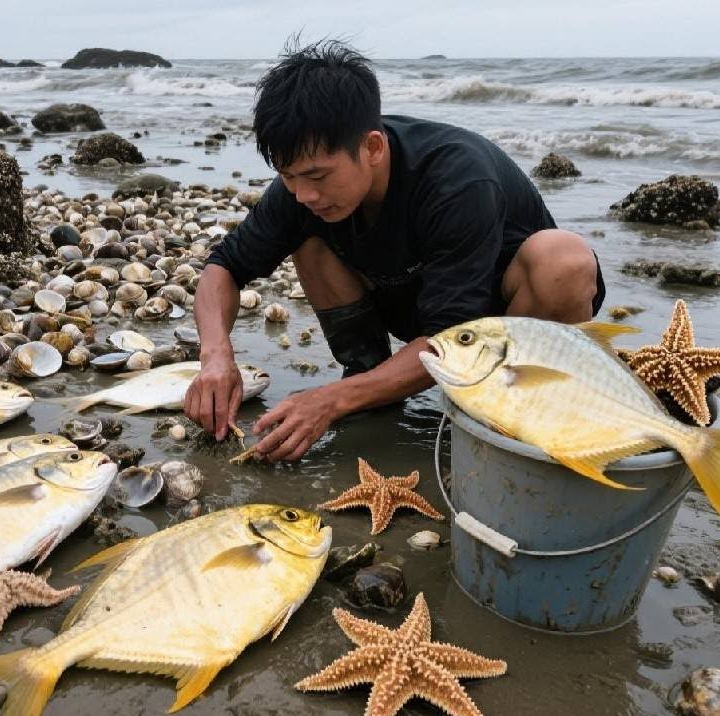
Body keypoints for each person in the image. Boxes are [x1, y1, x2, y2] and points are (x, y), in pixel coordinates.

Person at [183, 40, 605, 462]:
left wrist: (330, 400)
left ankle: (516, 404)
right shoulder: (300, 190)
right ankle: (367, 377)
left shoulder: (457, 179)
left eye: (317, 176)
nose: (305, 193)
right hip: (417, 306)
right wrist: (216, 357)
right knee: (307, 238)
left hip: (501, 317)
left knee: (563, 259)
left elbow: (451, 339)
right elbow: (223, 267)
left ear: (372, 148)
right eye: (288, 176)